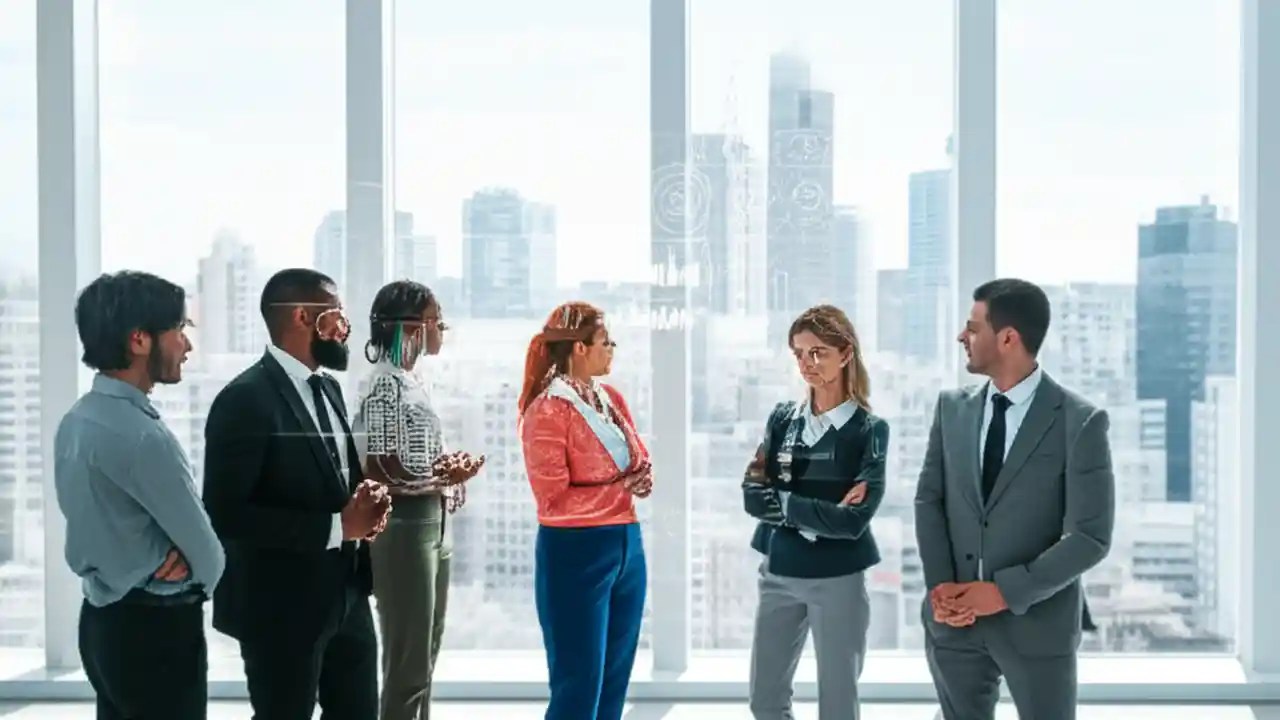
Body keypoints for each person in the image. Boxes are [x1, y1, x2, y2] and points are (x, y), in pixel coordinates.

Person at [915, 278, 1115, 720]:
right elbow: (929, 501)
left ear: (1008, 338)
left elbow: (1090, 537)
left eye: (973, 328)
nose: (962, 336)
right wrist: (942, 588)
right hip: (955, 625)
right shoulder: (951, 409)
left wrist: (1004, 593)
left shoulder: (1080, 422)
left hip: (1039, 627)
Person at [203, 268, 391, 720]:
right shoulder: (244, 398)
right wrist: (338, 527)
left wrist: (364, 500)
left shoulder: (329, 387)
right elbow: (227, 513)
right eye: (337, 315)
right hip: (279, 606)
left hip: (347, 593)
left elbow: (333, 477)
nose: (345, 328)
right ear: (304, 317)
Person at [54, 271, 225, 720]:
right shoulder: (143, 437)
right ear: (139, 340)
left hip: (101, 624)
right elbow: (208, 555)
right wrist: (198, 569)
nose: (187, 345)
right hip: (157, 632)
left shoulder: (76, 420)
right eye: (179, 329)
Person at [742, 304, 889, 720]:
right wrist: (815, 509)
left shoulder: (869, 431)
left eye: (818, 352)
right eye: (799, 353)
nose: (806, 363)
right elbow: (753, 494)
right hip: (778, 572)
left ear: (846, 354)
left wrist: (783, 502)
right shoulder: (781, 419)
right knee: (765, 702)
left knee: (838, 705)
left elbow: (853, 521)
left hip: (838, 578)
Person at [354, 280, 485, 720]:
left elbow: (408, 459)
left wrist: (444, 469)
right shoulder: (385, 385)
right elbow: (379, 470)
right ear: (409, 326)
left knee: (425, 655)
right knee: (408, 663)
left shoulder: (411, 381)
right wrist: (443, 476)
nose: (441, 329)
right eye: (435, 320)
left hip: (431, 520)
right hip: (404, 525)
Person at [517, 301, 652, 720]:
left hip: (627, 547)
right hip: (575, 551)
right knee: (578, 685)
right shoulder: (547, 411)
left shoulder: (611, 399)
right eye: (605, 341)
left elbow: (638, 458)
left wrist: (641, 477)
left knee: (614, 681)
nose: (612, 349)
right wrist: (621, 489)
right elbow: (553, 501)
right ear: (579, 347)